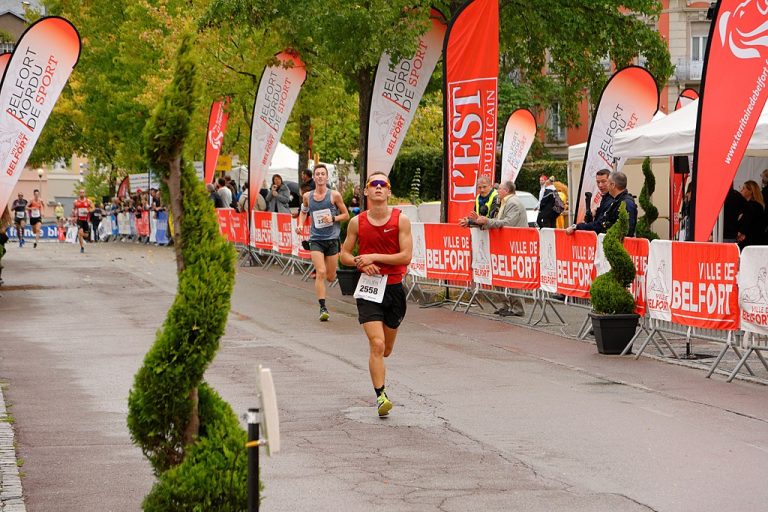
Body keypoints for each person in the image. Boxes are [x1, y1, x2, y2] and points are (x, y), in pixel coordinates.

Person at [340, 172, 412, 417]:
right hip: (369, 288)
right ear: (367, 192)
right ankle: (381, 395)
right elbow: (344, 255)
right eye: (374, 184)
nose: (379, 188)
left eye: (384, 185)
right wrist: (360, 263)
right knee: (377, 343)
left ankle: (381, 377)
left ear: (389, 192)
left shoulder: (401, 220)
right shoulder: (356, 222)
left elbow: (406, 256)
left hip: (393, 288)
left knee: (387, 348)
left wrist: (373, 257)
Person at [296, 164, 350, 321]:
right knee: (320, 272)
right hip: (316, 240)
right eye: (317, 174)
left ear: (327, 177)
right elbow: (304, 212)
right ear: (314, 177)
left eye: (322, 174)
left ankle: (328, 280)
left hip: (332, 240)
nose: (320, 176)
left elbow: (346, 215)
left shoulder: (334, 195)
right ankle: (323, 308)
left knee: (331, 276)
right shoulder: (308, 197)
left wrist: (332, 218)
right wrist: (300, 224)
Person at [467, 180, 527, 317]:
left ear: (506, 190)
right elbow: (494, 220)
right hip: (503, 244)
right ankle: (506, 305)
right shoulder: (503, 202)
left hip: (513, 245)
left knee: (512, 276)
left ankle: (518, 308)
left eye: (499, 189)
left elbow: (507, 223)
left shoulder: (513, 203)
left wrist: (486, 221)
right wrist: (475, 222)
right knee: (500, 274)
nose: (496, 191)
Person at [599, 171, 638, 237]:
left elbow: (627, 229)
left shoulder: (626, 203)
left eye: (608, 183)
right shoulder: (617, 201)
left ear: (613, 185)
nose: (606, 186)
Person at [736, 180, 766, 249]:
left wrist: (740, 233)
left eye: (744, 188)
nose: (741, 190)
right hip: (754, 241)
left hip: (749, 242)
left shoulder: (752, 206)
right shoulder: (757, 205)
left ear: (750, 191)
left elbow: (746, 222)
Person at [72, 189, 93, 253]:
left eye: (83, 192)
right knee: (80, 233)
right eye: (80, 192)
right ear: (79, 193)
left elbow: (93, 208)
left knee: (86, 235)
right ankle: (82, 247)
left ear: (84, 193)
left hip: (86, 219)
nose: (82, 193)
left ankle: (81, 236)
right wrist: (73, 214)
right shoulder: (76, 201)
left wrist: (89, 211)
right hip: (79, 219)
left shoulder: (88, 201)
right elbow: (73, 208)